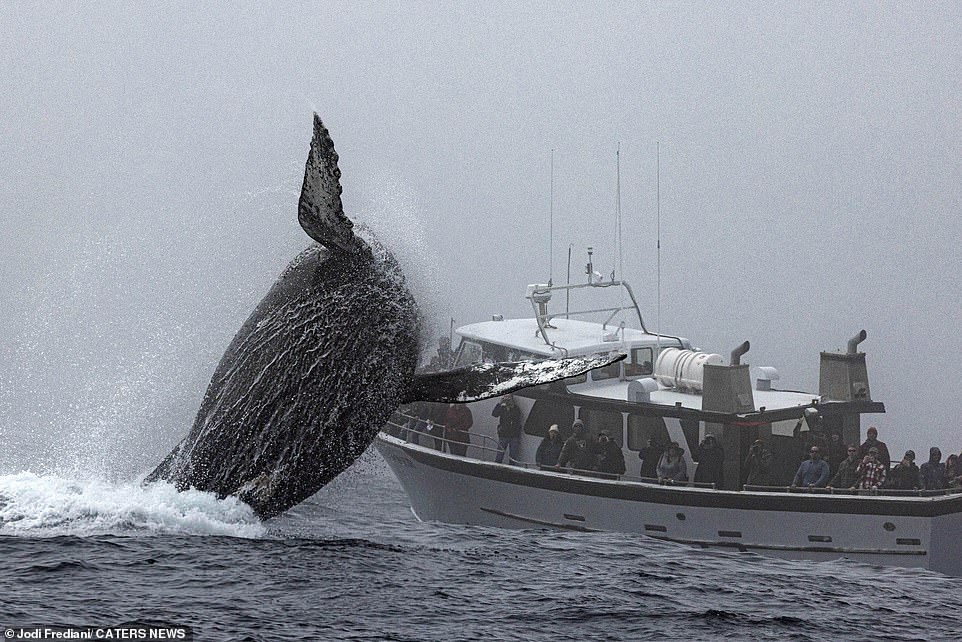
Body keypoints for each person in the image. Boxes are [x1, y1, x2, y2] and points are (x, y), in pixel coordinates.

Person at [492, 393, 522, 464]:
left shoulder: (516, 408)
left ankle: (511, 467)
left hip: (514, 435)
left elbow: (517, 417)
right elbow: (494, 414)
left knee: (513, 455)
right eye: (505, 397)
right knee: (500, 453)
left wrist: (511, 407)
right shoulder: (502, 407)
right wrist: (500, 404)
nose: (507, 400)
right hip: (503, 434)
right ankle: (496, 466)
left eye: (509, 398)